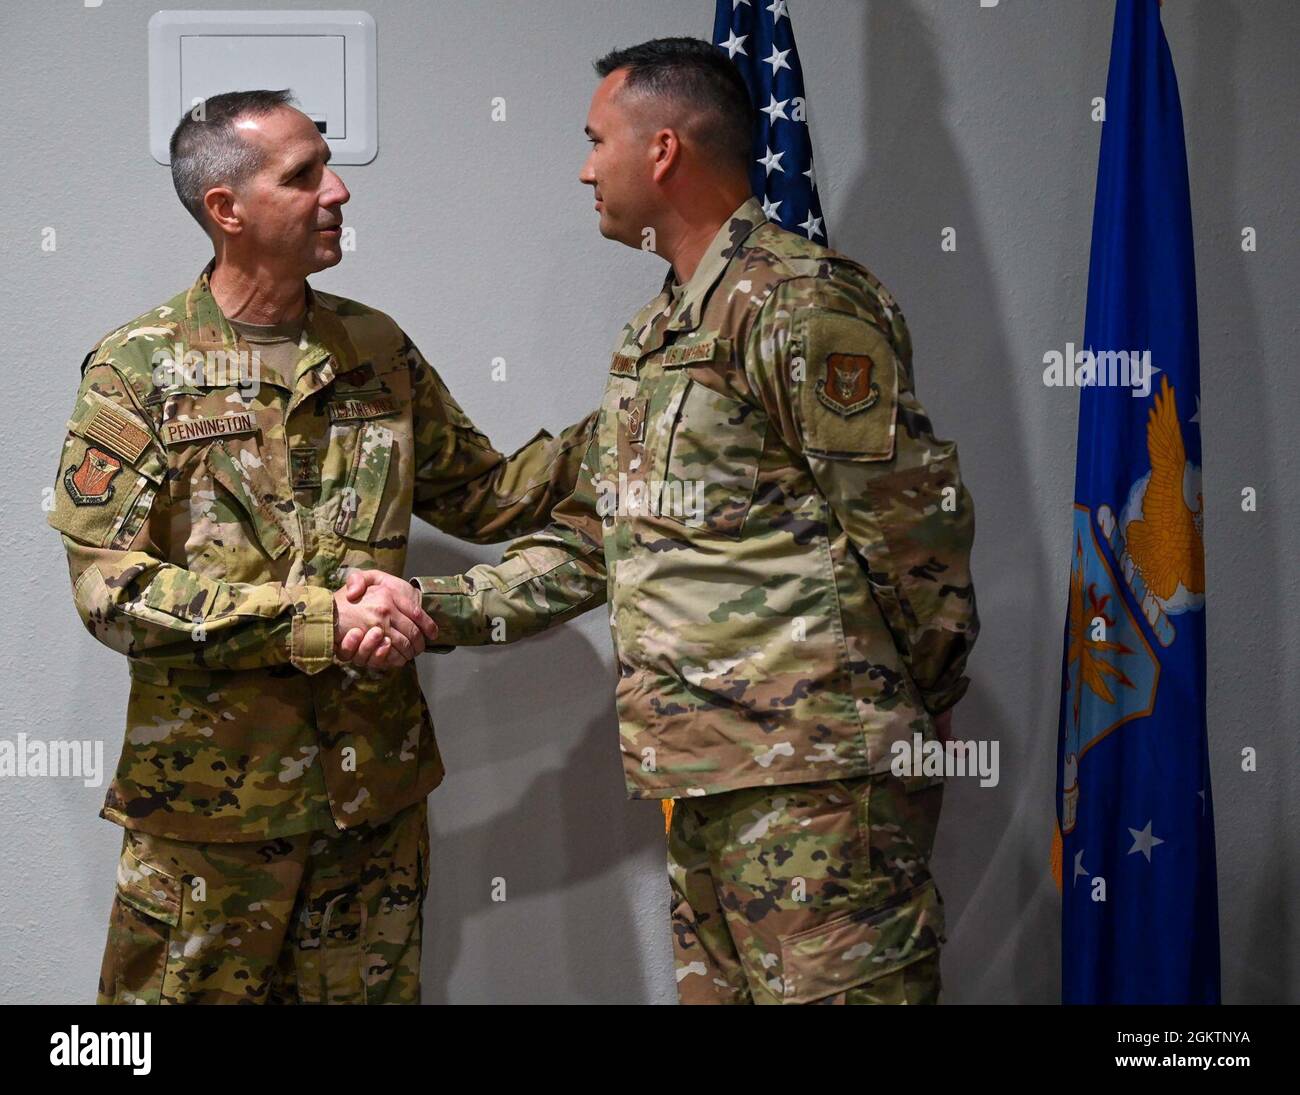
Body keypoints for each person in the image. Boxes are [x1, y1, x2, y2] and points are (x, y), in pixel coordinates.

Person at [352, 37, 980, 1004]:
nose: (583, 165)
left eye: (596, 139)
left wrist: (912, 705)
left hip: (817, 784)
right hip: (705, 779)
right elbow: (603, 543)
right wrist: (432, 606)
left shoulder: (799, 303)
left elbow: (911, 528)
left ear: (664, 151)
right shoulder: (657, 336)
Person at [47, 89, 594, 1003]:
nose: (337, 190)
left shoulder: (374, 350)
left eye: (326, 166)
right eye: (302, 177)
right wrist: (315, 623)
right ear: (227, 209)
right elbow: (109, 588)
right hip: (210, 829)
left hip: (369, 809)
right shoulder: (136, 367)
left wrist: (636, 419)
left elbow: (490, 497)